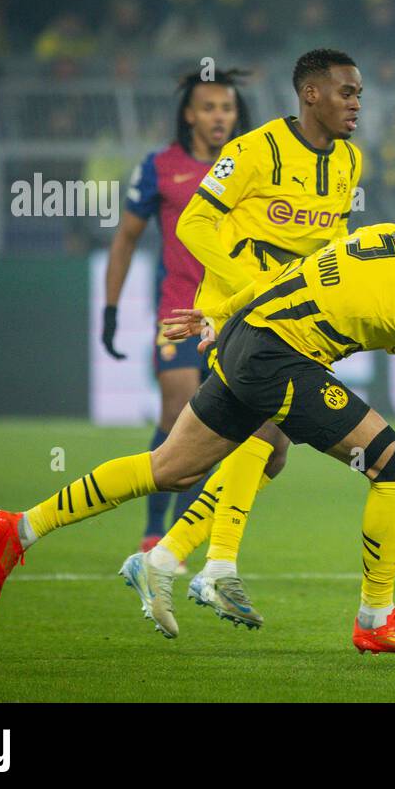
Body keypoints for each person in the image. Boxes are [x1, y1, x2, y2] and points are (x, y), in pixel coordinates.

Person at [0, 213, 395, 656]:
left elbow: (298, 271)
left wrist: (218, 314)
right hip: (283, 360)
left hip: (248, 336)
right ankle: (377, 619)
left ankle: (21, 527)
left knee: (172, 468)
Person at [141, 49, 365, 631]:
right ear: (311, 94)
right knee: (261, 428)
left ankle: (164, 556)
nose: (357, 103)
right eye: (346, 92)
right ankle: (214, 565)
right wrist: (252, 288)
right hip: (241, 315)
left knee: (266, 451)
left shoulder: (348, 162)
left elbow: (333, 238)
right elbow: (193, 223)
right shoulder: (253, 150)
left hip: (292, 319)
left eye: (360, 93)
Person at [102, 68, 250, 563]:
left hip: (231, 313)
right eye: (209, 108)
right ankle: (151, 530)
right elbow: (125, 237)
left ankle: (175, 542)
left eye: (226, 108)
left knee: (212, 427)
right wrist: (111, 306)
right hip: (179, 309)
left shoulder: (250, 165)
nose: (219, 117)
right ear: (189, 114)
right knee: (177, 412)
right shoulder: (160, 166)